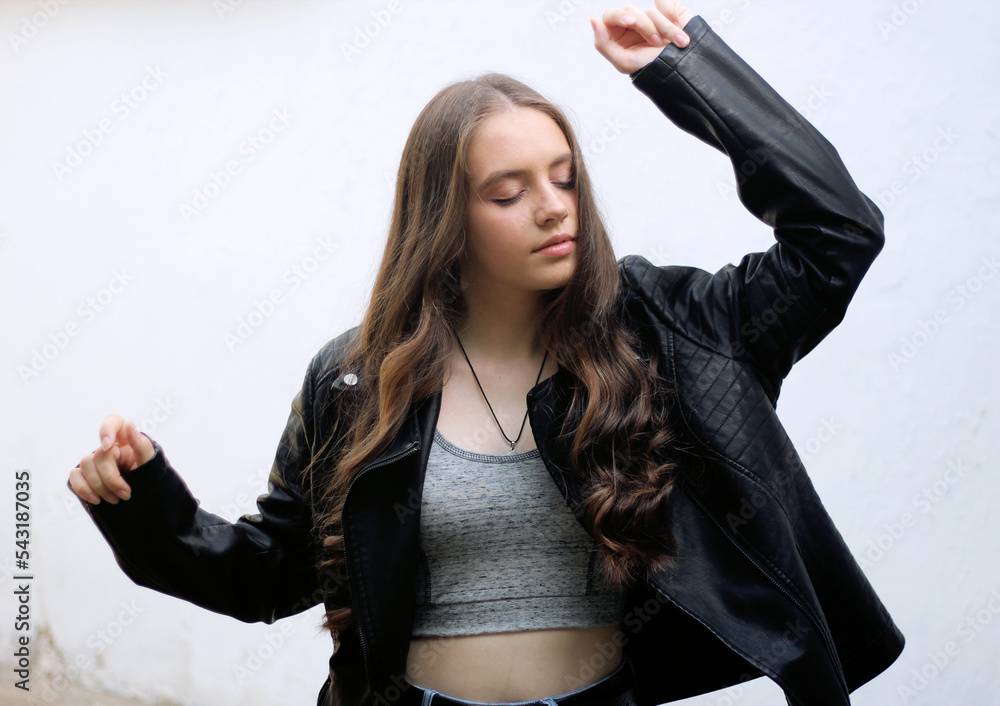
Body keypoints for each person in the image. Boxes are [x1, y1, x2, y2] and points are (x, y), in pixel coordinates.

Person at [67, 3, 905, 705]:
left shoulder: (667, 334)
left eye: (564, 177)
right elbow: (270, 577)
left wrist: (684, 74)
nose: (553, 208)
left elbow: (837, 233)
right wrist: (145, 506)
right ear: (447, 220)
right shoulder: (357, 379)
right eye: (509, 192)